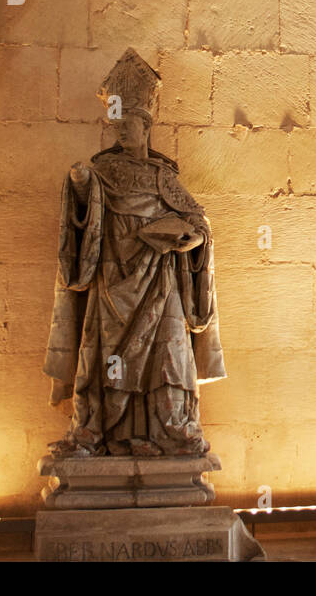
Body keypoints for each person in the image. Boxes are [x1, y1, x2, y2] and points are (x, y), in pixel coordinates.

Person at [42, 48, 225, 457]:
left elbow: (198, 222)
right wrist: (80, 187)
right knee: (107, 360)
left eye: (129, 125)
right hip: (111, 285)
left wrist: (189, 241)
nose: (121, 133)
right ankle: (99, 432)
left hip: (161, 284)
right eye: (116, 126)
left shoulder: (164, 177)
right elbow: (85, 216)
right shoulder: (102, 172)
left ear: (146, 126)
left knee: (171, 358)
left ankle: (172, 429)